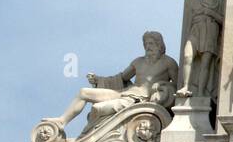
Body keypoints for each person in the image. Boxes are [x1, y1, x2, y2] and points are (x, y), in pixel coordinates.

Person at [47, 31, 178, 131]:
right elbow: (121, 78)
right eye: (146, 44)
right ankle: (61, 121)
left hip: (140, 100)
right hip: (124, 94)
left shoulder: (168, 63)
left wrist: (161, 89)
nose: (148, 47)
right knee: (83, 92)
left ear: (160, 45)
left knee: (98, 109)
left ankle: (87, 140)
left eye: (151, 43)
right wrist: (98, 79)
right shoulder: (138, 62)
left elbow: (178, 85)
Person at [178, 0, 223, 99]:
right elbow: (189, 22)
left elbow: (224, 21)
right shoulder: (195, 2)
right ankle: (185, 86)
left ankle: (201, 92)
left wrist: (210, 12)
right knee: (187, 55)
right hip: (195, 30)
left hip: (211, 29)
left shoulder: (218, 1)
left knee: (206, 62)